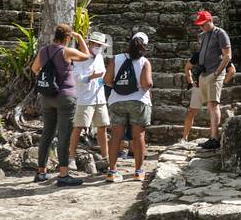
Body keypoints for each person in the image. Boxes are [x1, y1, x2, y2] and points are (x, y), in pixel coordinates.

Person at [30, 24, 91, 187]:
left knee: (47, 133)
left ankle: (41, 171)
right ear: (67, 38)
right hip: (65, 97)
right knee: (64, 135)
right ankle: (63, 175)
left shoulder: (44, 50)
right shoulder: (66, 51)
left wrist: (50, 78)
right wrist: (80, 38)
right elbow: (86, 55)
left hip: (47, 96)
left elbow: (35, 68)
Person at [105, 31, 154, 183]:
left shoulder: (117, 59)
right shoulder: (144, 62)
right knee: (138, 136)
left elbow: (107, 80)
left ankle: (112, 171)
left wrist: (119, 87)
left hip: (116, 101)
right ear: (144, 46)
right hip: (138, 101)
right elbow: (146, 83)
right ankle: (138, 171)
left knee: (116, 136)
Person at [69, 32, 110, 172]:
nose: (98, 48)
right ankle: (71, 158)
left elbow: (102, 75)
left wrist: (104, 79)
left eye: (101, 45)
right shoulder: (80, 57)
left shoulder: (99, 57)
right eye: (97, 45)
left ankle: (106, 157)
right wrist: (91, 77)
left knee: (103, 127)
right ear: (90, 44)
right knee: (79, 127)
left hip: (100, 97)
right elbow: (76, 78)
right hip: (85, 98)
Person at [192, 9, 231, 150]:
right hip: (205, 73)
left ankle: (215, 138)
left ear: (210, 20)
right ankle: (212, 136)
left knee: (213, 105)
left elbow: (227, 56)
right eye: (199, 25)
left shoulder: (220, 33)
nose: (201, 27)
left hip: (214, 73)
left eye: (203, 24)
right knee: (210, 106)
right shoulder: (203, 36)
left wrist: (217, 73)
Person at [178, 50, 205, 145]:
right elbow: (187, 67)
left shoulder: (219, 53)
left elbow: (231, 70)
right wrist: (191, 82)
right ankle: (184, 138)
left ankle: (214, 137)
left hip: (212, 85)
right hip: (199, 86)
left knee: (213, 110)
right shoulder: (199, 54)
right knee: (191, 112)